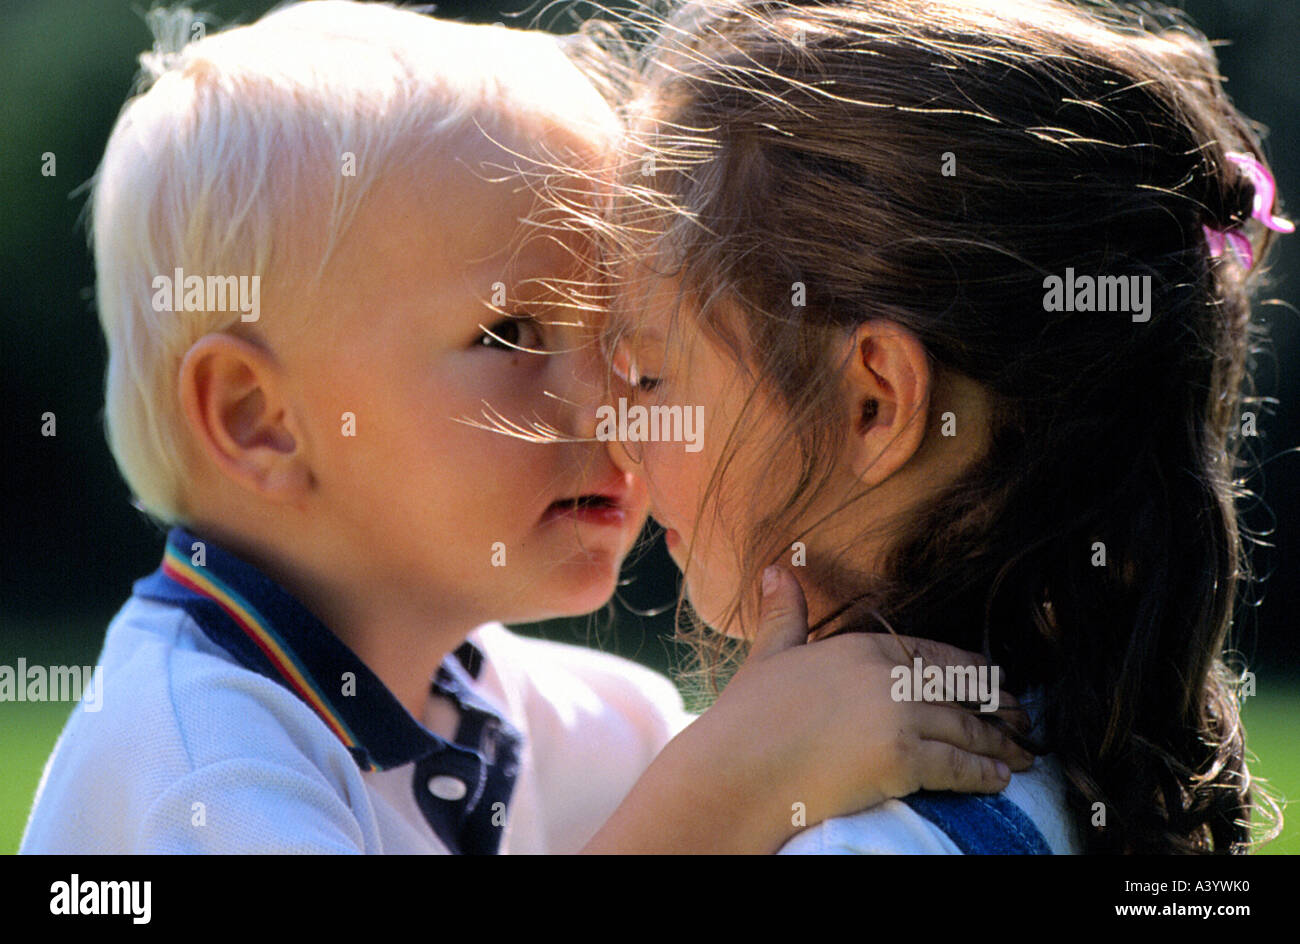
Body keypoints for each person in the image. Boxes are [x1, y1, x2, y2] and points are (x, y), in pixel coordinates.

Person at [20, 1, 1030, 855]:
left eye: (629, 345)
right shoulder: (192, 757)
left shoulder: (582, 723)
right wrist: (720, 798)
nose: (619, 408)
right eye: (512, 332)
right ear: (260, 420)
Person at [597, 0, 1290, 853]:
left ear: (875, 403)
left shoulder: (844, 841)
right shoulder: (1083, 770)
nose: (622, 438)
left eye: (652, 377)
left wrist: (692, 808)